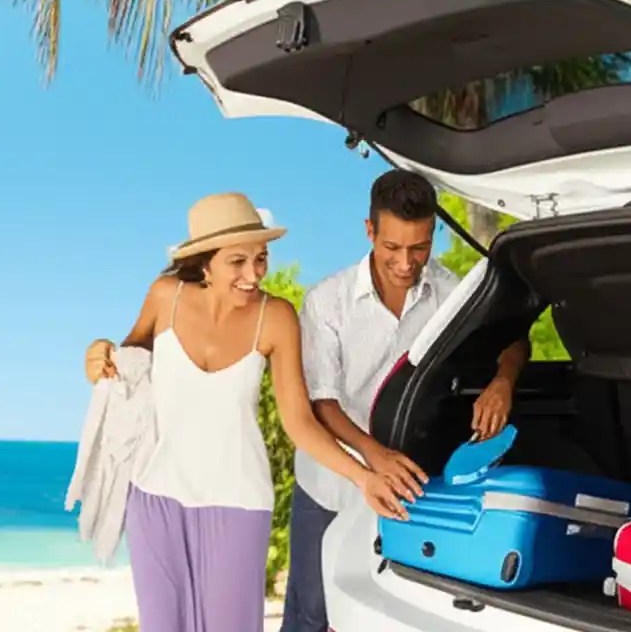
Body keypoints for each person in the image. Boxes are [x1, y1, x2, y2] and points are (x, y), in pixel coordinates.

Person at [80, 191, 414, 632]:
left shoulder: (275, 318)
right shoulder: (166, 297)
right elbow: (131, 354)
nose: (253, 274)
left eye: (261, 259)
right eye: (237, 262)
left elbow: (299, 421)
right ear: (205, 262)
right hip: (155, 495)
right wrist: (97, 353)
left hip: (236, 502)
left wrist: (364, 476)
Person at [280, 169, 531, 632]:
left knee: (378, 612)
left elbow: (513, 339)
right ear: (369, 230)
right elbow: (323, 404)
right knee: (313, 613)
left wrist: (503, 381)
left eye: (419, 248)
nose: (405, 262)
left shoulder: (452, 293)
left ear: (434, 231)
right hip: (330, 484)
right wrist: (375, 458)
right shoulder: (326, 302)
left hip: (408, 490)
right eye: (392, 247)